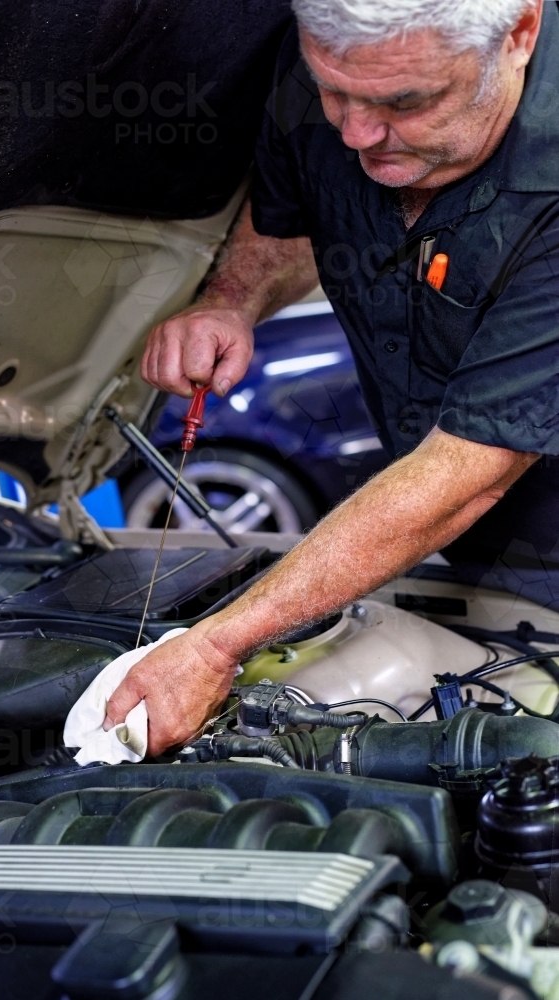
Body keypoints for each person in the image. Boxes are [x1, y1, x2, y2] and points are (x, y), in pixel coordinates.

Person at [105, 0, 559, 754]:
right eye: (332, 93)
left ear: (518, 35)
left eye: (403, 102)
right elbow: (289, 216)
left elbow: (467, 470)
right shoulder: (345, 53)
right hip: (470, 569)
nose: (353, 132)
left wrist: (216, 646)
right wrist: (229, 302)